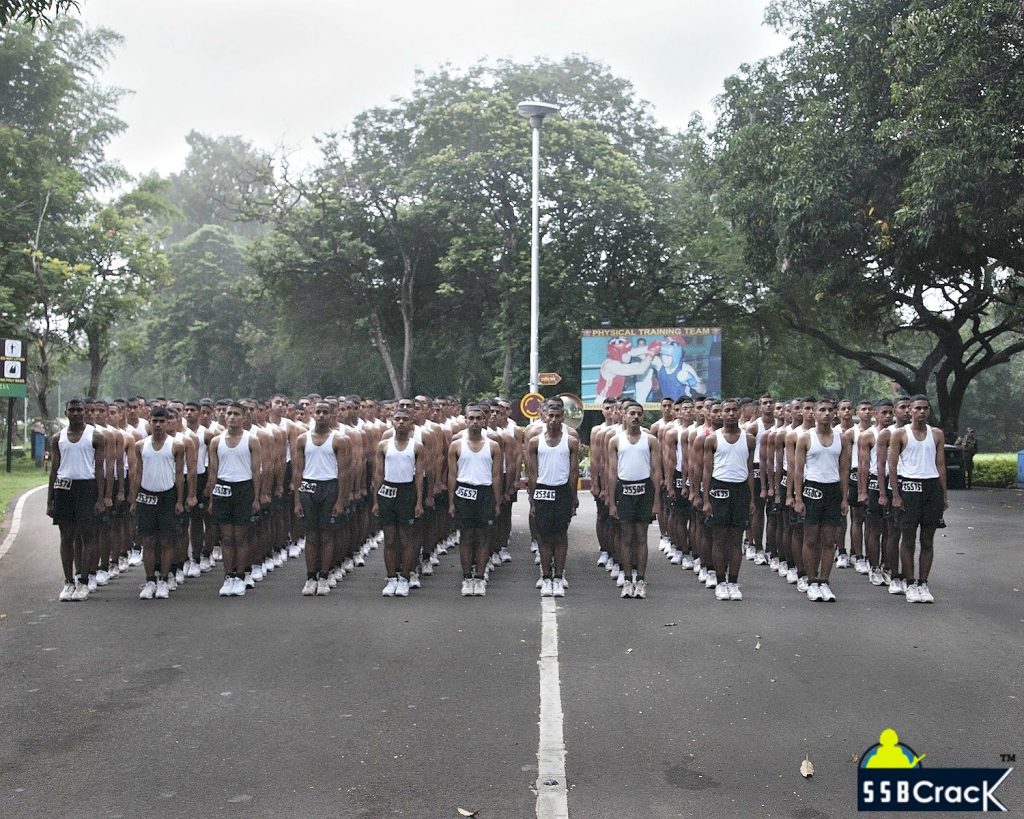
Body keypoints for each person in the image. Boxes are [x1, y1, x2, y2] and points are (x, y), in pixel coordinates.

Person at [48, 398, 107, 601]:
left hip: (86, 486)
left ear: (85, 412)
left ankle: (83, 580)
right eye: (71, 410)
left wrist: (101, 498)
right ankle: (68, 582)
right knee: (66, 537)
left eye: (79, 410)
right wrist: (50, 500)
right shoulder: (58, 438)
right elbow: (54, 469)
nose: (75, 413)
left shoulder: (96, 437)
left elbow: (100, 469)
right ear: (66, 412)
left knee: (87, 536)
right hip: (64, 487)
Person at [889, 395, 947, 603]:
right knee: (908, 539)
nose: (922, 412)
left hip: (931, 488)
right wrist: (895, 494)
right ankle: (910, 582)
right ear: (910, 412)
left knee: (927, 540)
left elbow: (940, 465)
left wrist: (944, 494)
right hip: (909, 488)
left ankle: (923, 583)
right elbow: (893, 467)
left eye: (925, 408)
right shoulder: (899, 435)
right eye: (918, 408)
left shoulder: (937, 434)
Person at [793, 398, 850, 602]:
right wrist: (798, 498)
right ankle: (811, 581)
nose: (826, 413)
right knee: (810, 538)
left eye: (829, 410)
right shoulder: (805, 438)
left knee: (828, 540)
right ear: (814, 414)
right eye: (822, 410)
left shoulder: (841, 438)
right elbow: (798, 471)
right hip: (812, 489)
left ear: (834, 414)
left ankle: (824, 582)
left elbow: (844, 470)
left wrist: (844, 498)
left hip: (833, 490)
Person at [206, 402, 265, 597]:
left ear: (244, 417)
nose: (231, 417)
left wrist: (256, 496)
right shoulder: (216, 441)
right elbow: (213, 472)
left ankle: (240, 576)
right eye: (228, 413)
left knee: (240, 537)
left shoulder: (251, 440)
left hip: (244, 488)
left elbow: (256, 470)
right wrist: (212, 497)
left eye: (236, 414)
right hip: (223, 488)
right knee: (227, 538)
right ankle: (228, 576)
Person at [132, 408, 191, 600]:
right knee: (148, 541)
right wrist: (134, 499)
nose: (158, 425)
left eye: (161, 421)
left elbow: (180, 475)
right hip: (147, 496)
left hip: (168, 495)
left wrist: (180, 500)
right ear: (149, 422)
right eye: (154, 421)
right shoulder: (140, 445)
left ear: (168, 423)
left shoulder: (177, 445)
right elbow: (137, 474)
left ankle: (165, 580)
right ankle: (150, 580)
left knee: (166, 540)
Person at [292, 401, 348, 596]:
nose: (322, 415)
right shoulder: (302, 439)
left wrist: (341, 500)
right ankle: (310, 577)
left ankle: (324, 576)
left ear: (332, 415)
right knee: (311, 535)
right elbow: (298, 470)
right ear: (312, 414)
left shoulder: (338, 440)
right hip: (308, 486)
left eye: (326, 412)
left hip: (329, 486)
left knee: (326, 534)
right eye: (318, 412)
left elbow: (343, 472)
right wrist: (297, 500)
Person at [607, 400, 662, 599]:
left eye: (639, 414)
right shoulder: (615, 440)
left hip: (644, 489)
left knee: (641, 536)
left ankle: (640, 579)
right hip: (624, 489)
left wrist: (656, 501)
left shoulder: (650, 440)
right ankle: (627, 578)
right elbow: (612, 472)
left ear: (643, 417)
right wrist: (612, 501)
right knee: (626, 536)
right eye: (632, 413)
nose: (636, 417)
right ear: (624, 415)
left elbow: (656, 472)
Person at [702, 398, 755, 601]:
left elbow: (749, 470)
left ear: (740, 412)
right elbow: (707, 471)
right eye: (727, 410)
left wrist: (750, 499)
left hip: (740, 490)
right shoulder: (712, 439)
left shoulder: (749, 439)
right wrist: (705, 499)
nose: (731, 414)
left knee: (736, 539)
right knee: (719, 538)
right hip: (719, 489)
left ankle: (733, 581)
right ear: (721, 414)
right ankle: (720, 581)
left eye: (734, 410)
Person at [527, 400, 580, 597]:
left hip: (562, 491)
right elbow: (532, 473)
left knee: (560, 535)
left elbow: (574, 472)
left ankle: (559, 576)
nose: (554, 420)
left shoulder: (571, 442)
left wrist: (573, 498)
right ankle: (545, 575)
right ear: (544, 416)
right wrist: (532, 500)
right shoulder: (535, 442)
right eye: (550, 416)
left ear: (563, 418)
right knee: (544, 536)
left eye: (558, 416)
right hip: (542, 490)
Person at [448, 405, 502, 596]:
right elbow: (452, 476)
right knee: (466, 537)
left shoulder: (493, 446)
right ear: (465, 420)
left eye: (479, 418)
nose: (475, 422)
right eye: (471, 418)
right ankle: (466, 578)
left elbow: (496, 476)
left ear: (484, 420)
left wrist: (496, 501)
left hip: (484, 493)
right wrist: (451, 502)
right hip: (463, 492)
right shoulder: (456, 445)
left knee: (483, 537)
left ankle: (479, 578)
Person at [371, 407, 424, 598]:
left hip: (406, 492)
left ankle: (404, 577)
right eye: (397, 419)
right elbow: (378, 474)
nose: (401, 422)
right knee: (390, 538)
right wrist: (376, 500)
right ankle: (391, 577)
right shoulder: (383, 445)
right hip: (387, 492)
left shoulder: (416, 446)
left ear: (411, 423)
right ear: (392, 421)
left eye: (405, 419)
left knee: (406, 539)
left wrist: (419, 501)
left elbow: (419, 476)